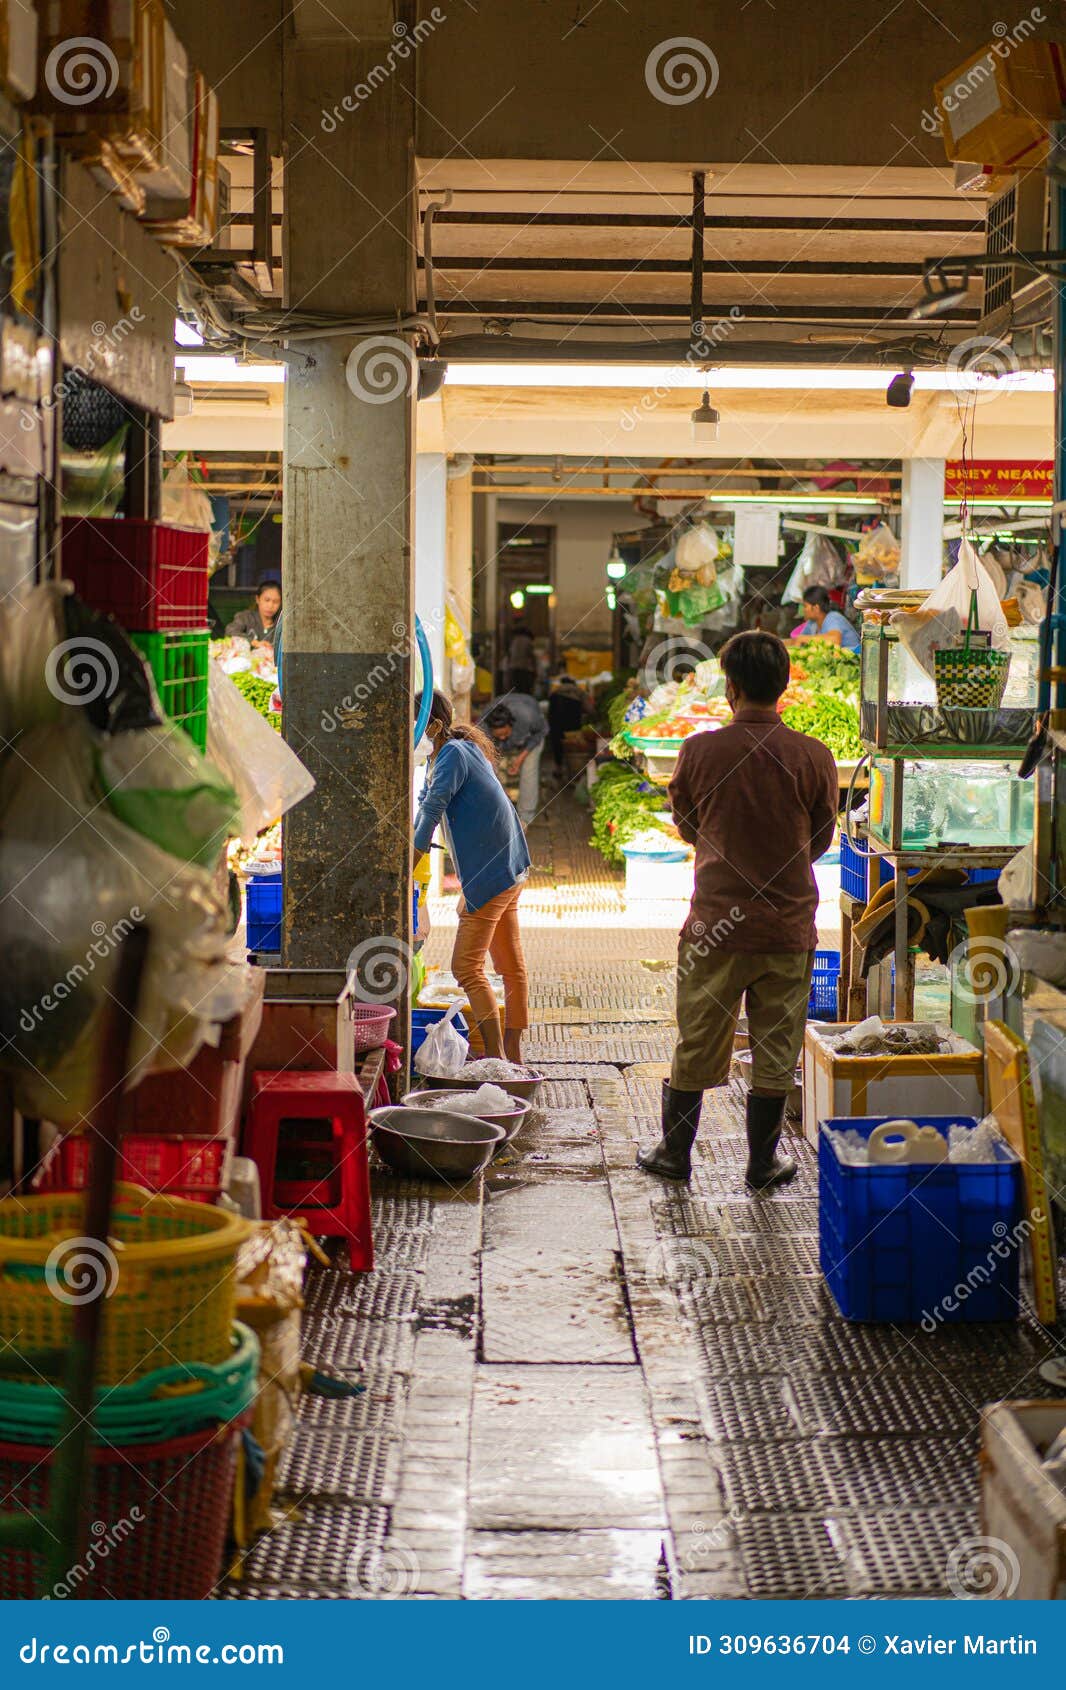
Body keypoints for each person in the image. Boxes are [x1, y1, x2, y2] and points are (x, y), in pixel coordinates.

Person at [637, 630, 837, 1191]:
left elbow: (687, 824)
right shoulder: (813, 756)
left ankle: (676, 1155)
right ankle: (761, 1163)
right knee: (776, 1046)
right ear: (783, 687)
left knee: (698, 1039)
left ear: (730, 687)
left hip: (714, 928)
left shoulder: (700, 751)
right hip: (787, 927)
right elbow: (821, 838)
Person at [413, 691, 530, 1062]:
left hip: (493, 874)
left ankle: (495, 1058)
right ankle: (511, 1052)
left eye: (414, 725)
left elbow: (432, 811)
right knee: (510, 967)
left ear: (431, 725)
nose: (410, 733)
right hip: (510, 867)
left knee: (465, 967)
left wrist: (405, 867)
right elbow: (424, 807)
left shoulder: (451, 754)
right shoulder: (458, 750)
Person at [480, 693, 546, 827]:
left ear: (512, 724)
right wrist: (498, 783)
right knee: (490, 770)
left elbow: (541, 732)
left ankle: (525, 818)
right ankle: (500, 811)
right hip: (495, 739)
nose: (503, 738)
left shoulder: (528, 717)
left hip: (534, 735)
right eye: (499, 735)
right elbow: (486, 757)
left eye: (505, 733)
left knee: (528, 770)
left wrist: (520, 759)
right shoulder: (482, 726)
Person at [546, 667, 588, 779]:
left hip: (556, 724)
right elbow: (588, 708)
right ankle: (573, 772)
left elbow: (550, 711)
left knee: (557, 745)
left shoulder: (555, 692)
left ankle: (558, 768)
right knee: (572, 746)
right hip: (573, 724)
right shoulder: (579, 692)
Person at [792, 585, 859, 652]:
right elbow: (798, 640)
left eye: (805, 606)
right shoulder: (812, 623)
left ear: (816, 608)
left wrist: (803, 639)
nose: (803, 610)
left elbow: (835, 640)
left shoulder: (833, 618)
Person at [226, 578, 282, 648]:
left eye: (276, 601)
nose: (270, 606)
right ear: (257, 599)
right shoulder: (245, 617)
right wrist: (253, 642)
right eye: (267, 600)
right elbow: (230, 632)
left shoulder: (282, 624)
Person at [505, 624, 537, 694]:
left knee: (514, 691)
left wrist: (508, 670)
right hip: (524, 670)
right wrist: (535, 669)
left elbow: (509, 656)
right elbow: (532, 656)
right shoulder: (528, 641)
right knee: (525, 691)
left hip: (513, 669)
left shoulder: (513, 640)